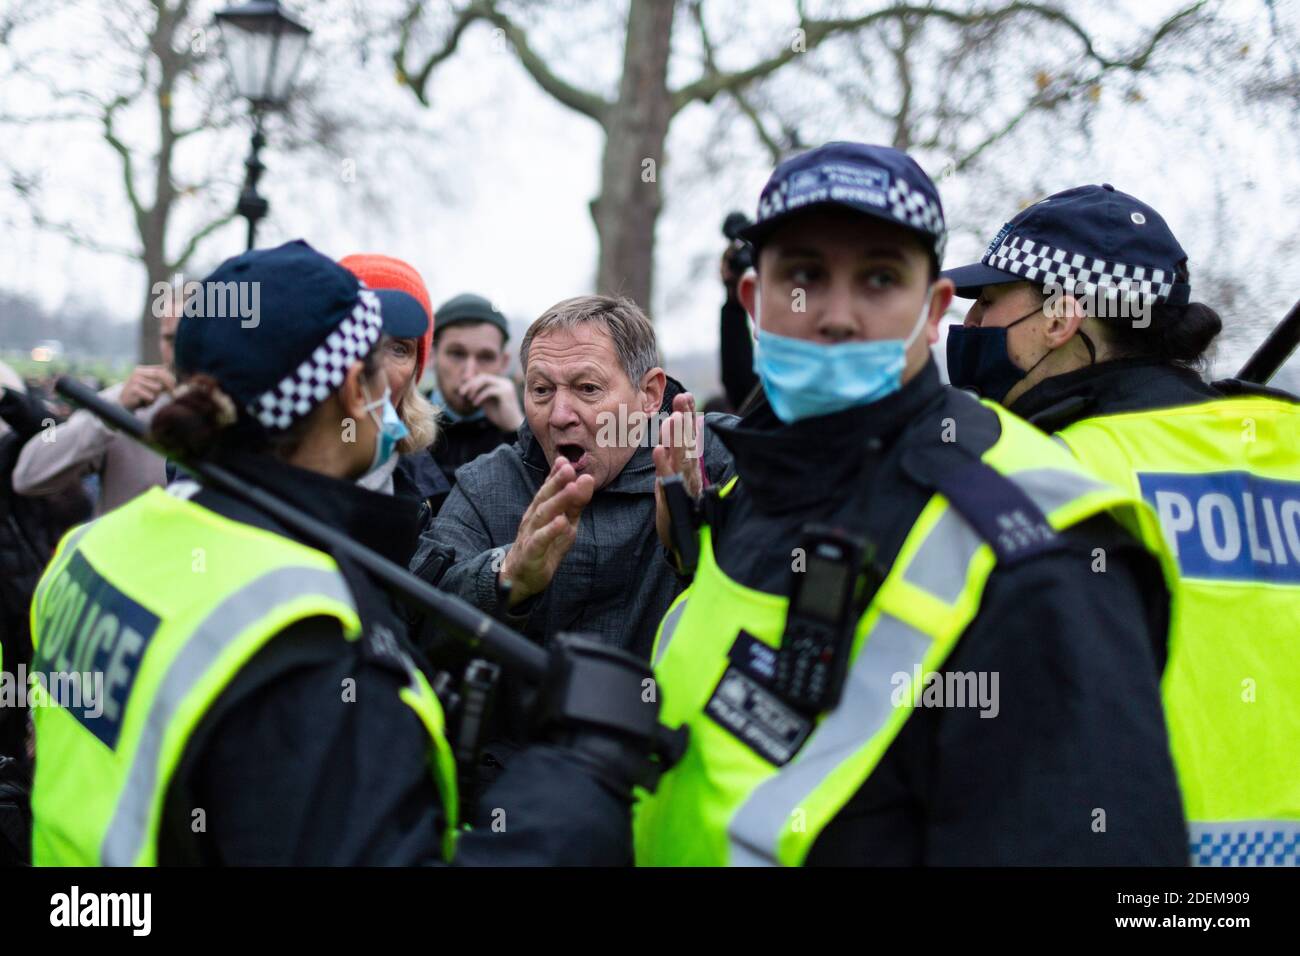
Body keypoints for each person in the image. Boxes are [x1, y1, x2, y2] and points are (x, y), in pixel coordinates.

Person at [634, 142, 1187, 866]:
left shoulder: (1039, 551)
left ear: (933, 311)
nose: (836, 315)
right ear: (753, 302)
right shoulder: (749, 487)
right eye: (803, 275)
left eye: (879, 279)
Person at [27, 241, 658, 866]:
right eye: (375, 363)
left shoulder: (92, 545)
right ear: (354, 393)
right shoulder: (308, 638)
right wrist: (576, 778)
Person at [943, 183, 1300, 866]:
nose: (973, 323)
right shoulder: (1288, 439)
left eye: (990, 301)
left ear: (1059, 319)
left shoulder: (1043, 477)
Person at [11, 302, 177, 515]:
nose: (179, 350)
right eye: (170, 339)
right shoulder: (123, 400)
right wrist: (111, 415)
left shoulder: (232, 406)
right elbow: (29, 475)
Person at [339, 253, 450, 524]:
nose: (377, 365)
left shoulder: (433, 497)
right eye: (363, 335)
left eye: (399, 349)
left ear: (415, 372)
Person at [427, 293, 524, 486]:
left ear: (504, 363)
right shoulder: (404, 426)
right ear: (431, 356)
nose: (469, 374)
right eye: (457, 354)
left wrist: (518, 430)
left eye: (486, 357)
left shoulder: (526, 426)